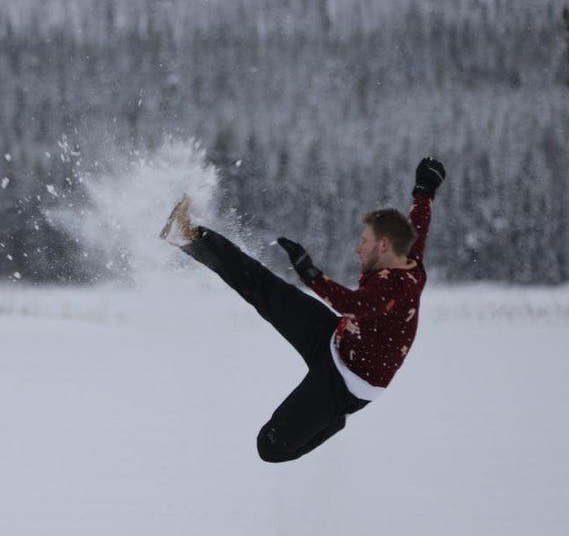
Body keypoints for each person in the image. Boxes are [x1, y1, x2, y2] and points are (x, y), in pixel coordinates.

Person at [163, 157, 445, 463]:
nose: (358, 248)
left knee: (270, 446)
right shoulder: (407, 254)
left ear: (384, 246)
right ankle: (187, 234)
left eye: (364, 242)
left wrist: (311, 275)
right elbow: (419, 223)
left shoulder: (395, 287)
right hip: (336, 338)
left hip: (346, 383)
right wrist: (425, 188)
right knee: (262, 286)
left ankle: (333, 420)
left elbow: (354, 306)